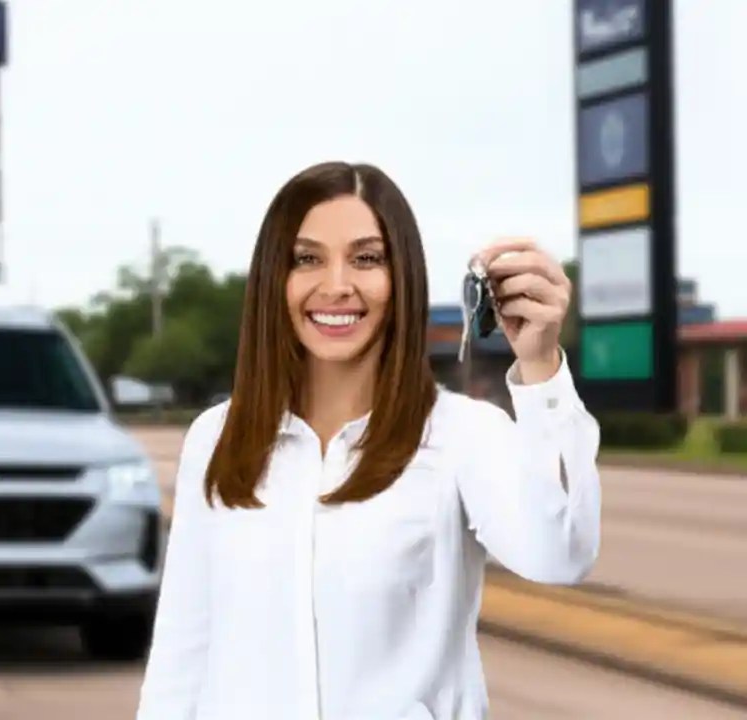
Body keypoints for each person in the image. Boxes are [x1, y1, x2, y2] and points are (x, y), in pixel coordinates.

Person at [134, 161, 601, 720]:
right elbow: (183, 654)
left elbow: (561, 553)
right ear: (272, 281)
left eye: (366, 258)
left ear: (401, 276)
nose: (336, 285)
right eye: (307, 259)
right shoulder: (216, 438)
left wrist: (541, 368)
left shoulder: (461, 435)